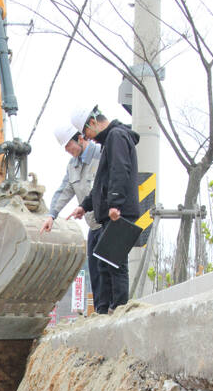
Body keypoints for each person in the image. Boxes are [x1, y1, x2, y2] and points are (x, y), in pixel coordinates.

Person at [69, 105, 140, 314]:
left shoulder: (116, 137)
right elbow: (102, 183)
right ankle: (106, 310)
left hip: (119, 212)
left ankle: (118, 309)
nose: (88, 138)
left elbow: (120, 170)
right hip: (112, 211)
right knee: (104, 263)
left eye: (86, 133)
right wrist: (84, 206)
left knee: (114, 263)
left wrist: (115, 203)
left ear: (92, 122)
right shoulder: (109, 141)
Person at [40, 122, 103, 310]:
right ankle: (101, 311)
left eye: (69, 145)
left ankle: (114, 309)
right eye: (65, 148)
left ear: (81, 138)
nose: (68, 151)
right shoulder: (72, 166)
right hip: (93, 225)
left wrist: (84, 206)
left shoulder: (100, 155)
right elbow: (64, 191)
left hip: (108, 222)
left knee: (109, 269)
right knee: (95, 271)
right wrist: (52, 215)